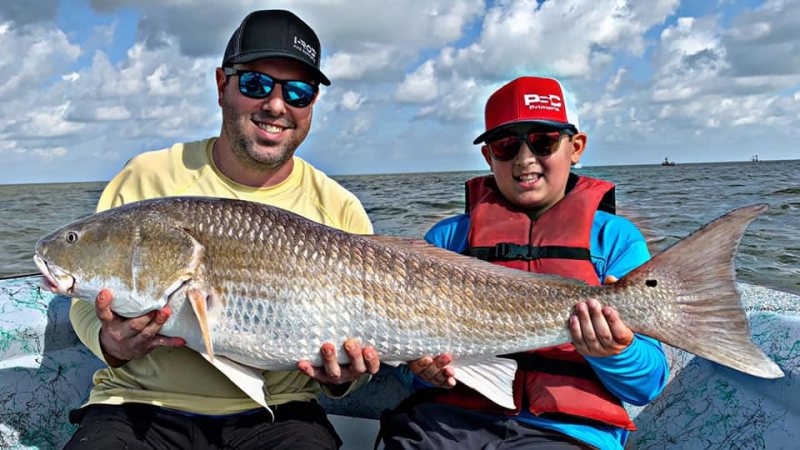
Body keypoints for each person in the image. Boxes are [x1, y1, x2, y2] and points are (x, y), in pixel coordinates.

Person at [63, 10, 380, 449]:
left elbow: (369, 346)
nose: (275, 105)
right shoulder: (146, 178)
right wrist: (111, 342)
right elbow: (83, 301)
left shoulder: (339, 208)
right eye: (255, 84)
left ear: (311, 106)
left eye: (299, 92)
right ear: (220, 86)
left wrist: (343, 380)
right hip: (138, 405)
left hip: (281, 411)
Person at [381, 76, 669, 449]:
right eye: (505, 145)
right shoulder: (445, 241)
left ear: (576, 147)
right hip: (446, 421)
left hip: (566, 431)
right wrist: (423, 373)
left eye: (543, 141)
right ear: (488, 156)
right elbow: (404, 355)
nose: (525, 159)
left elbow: (648, 383)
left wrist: (615, 350)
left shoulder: (615, 240)